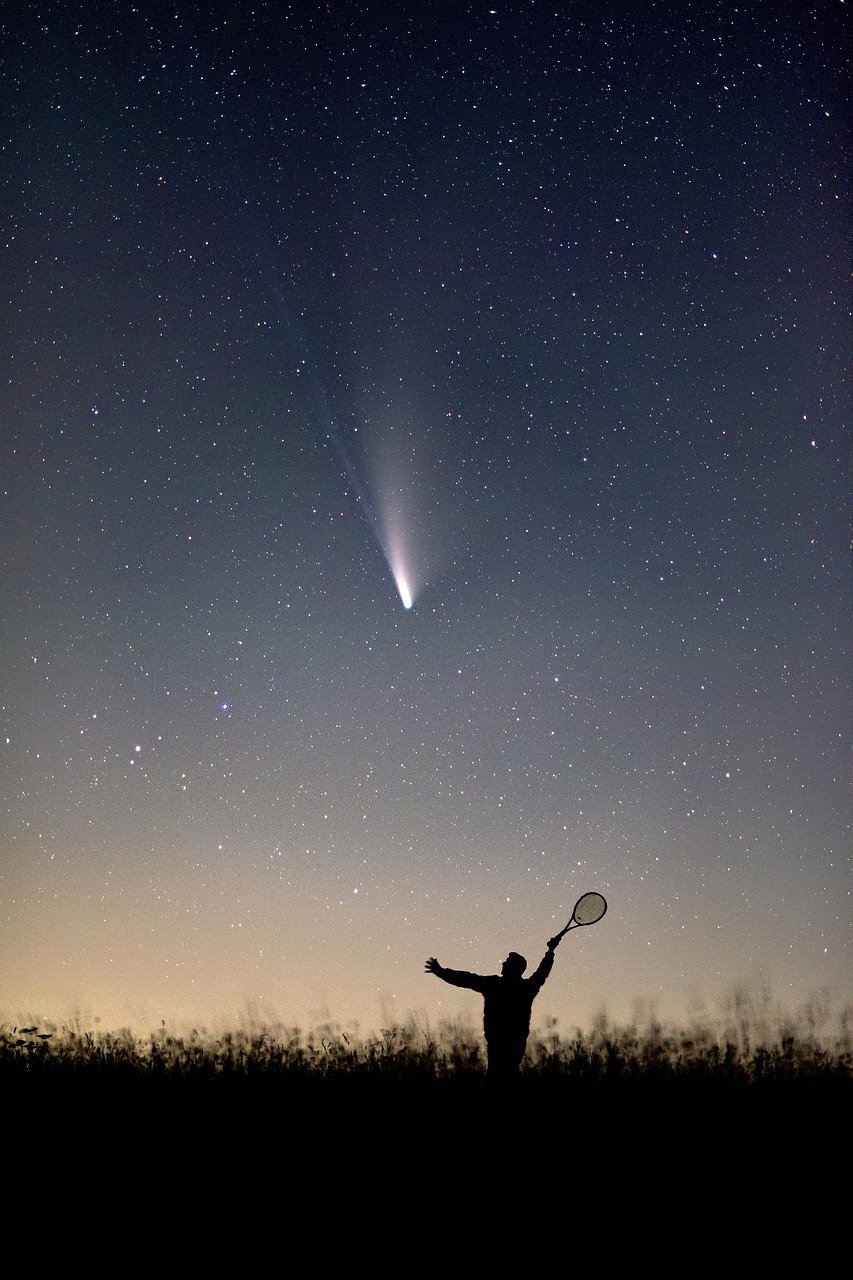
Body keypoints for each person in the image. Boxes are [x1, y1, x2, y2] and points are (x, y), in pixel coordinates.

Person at [425, 933, 563, 1079]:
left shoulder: (495, 985)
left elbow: (466, 979)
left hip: (498, 1045)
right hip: (513, 1046)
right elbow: (542, 972)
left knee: (497, 1077)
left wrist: (441, 972)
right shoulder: (526, 988)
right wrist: (550, 951)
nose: (503, 963)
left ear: (514, 968)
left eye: (507, 962)